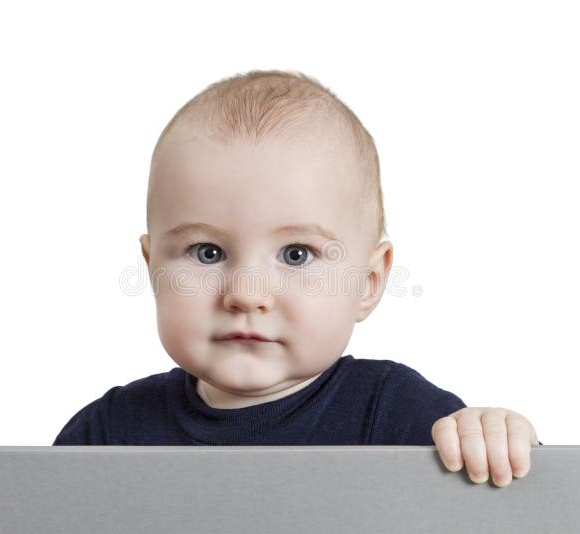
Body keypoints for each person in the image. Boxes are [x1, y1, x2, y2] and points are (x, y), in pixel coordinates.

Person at [53, 69, 540, 488]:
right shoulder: (106, 434)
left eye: (296, 253)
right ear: (153, 269)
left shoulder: (397, 415)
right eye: (208, 252)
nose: (245, 294)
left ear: (367, 284)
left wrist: (499, 443)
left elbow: (528, 505)